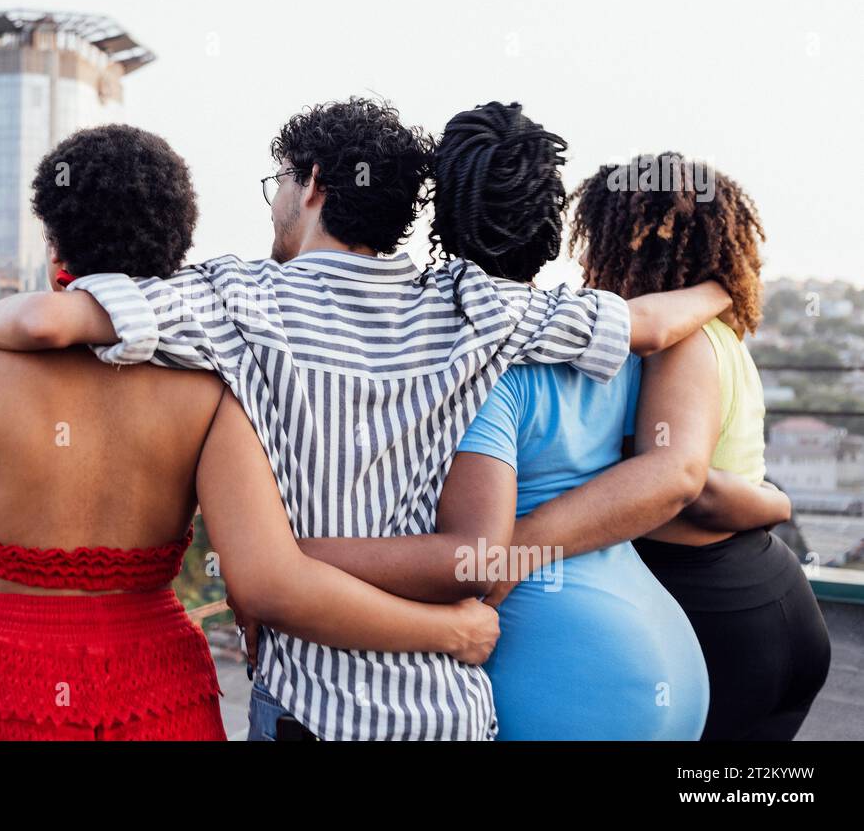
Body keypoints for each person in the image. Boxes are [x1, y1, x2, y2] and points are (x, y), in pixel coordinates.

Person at [0, 98, 732, 740]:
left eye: (278, 183)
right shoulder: (472, 302)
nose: (274, 202)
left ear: (314, 186)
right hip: (448, 707)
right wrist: (724, 284)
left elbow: (51, 322)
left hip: (317, 704)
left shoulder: (236, 296)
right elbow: (651, 325)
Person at [0, 124, 500, 741]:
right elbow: (266, 575)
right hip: (157, 679)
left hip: (10, 680)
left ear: (54, 236)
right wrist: (449, 631)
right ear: (174, 243)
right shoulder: (212, 382)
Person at [278, 103, 715, 738]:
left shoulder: (473, 362)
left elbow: (472, 556)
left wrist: (281, 563)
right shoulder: (605, 334)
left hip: (559, 668)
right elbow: (677, 472)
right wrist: (716, 289)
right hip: (666, 651)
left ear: (439, 210)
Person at [572, 153, 832, 740]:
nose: (587, 260)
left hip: (716, 619)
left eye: (596, 241)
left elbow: (690, 486)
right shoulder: (723, 339)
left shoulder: (679, 346)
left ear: (631, 245)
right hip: (767, 601)